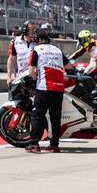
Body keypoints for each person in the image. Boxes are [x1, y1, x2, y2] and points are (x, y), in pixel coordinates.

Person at [24, 23, 65, 153]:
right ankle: (54, 145)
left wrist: (35, 81)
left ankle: (34, 144)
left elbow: (31, 71)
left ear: (37, 38)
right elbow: (69, 66)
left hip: (44, 87)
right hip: (59, 89)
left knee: (37, 115)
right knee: (55, 117)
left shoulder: (36, 50)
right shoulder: (58, 50)